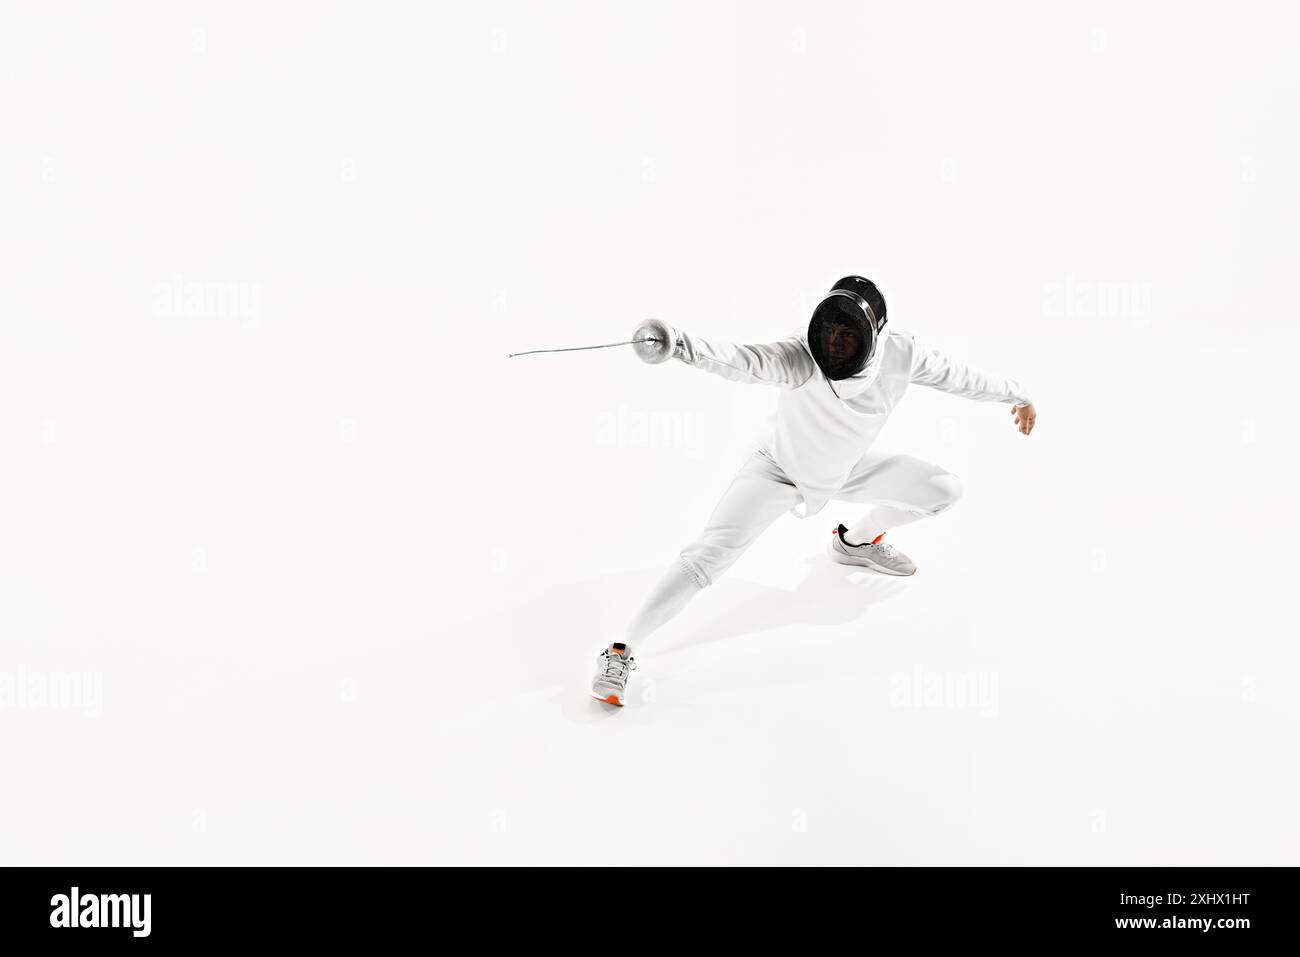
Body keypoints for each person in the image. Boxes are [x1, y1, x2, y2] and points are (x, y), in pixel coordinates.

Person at [591, 276, 1036, 706]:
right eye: (829, 330)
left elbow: (960, 377)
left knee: (944, 490)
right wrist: (677, 342)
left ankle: (856, 542)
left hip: (847, 468)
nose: (835, 343)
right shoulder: (799, 356)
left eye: (848, 334)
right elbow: (739, 360)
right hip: (777, 471)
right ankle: (619, 651)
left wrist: (1016, 394)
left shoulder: (903, 354)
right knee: (704, 560)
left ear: (875, 338)